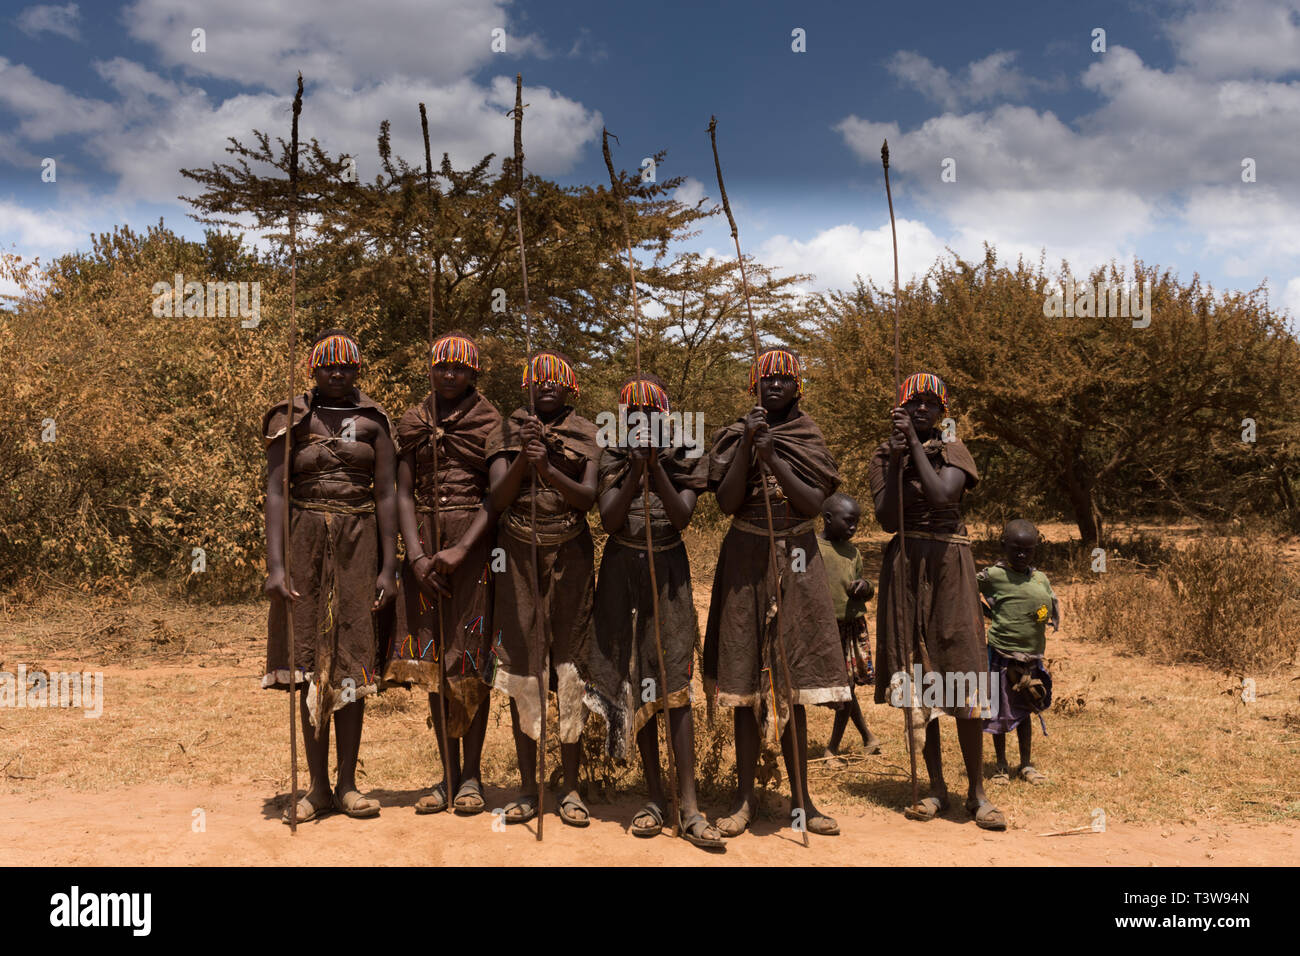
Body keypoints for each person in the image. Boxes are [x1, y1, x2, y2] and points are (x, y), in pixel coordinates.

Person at [703, 347, 849, 838]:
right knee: (743, 682)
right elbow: (725, 502)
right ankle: (744, 799)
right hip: (744, 553)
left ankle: (801, 801)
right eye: (766, 380)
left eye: (785, 380)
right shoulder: (733, 434)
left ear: (798, 387)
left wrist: (773, 457)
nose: (775, 386)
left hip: (797, 556)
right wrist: (748, 446)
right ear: (753, 386)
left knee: (795, 684)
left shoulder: (808, 437)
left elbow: (812, 502)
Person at [263, 329, 398, 823]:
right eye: (327, 367)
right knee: (308, 663)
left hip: (359, 540)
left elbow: (386, 495)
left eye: (346, 367)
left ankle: (346, 785)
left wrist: (389, 564)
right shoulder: (291, 418)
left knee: (351, 660)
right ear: (313, 371)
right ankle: (315, 787)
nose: (337, 374)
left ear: (357, 371)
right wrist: (276, 567)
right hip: (302, 542)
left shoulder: (375, 422)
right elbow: (276, 492)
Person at [587, 374, 725, 850]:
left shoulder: (685, 452)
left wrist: (655, 470)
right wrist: (632, 471)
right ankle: (652, 799)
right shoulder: (609, 453)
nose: (642, 421)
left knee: (673, 682)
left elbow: (683, 516)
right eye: (633, 414)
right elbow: (608, 519)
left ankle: (688, 806)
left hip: (669, 568)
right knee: (637, 678)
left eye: (651, 414)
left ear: (667, 418)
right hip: (622, 567)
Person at [870, 371, 1005, 831]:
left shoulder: (953, 448)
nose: (922, 409)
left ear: (943, 410)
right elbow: (888, 518)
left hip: (950, 562)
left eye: (931, 403)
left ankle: (976, 793)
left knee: (963, 669)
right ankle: (933, 788)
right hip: (906, 563)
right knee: (918, 674)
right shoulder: (885, 454)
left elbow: (944, 497)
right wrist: (896, 458)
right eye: (913, 403)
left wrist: (912, 449)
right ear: (901, 410)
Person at [383, 333, 502, 815]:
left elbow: (496, 497)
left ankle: (472, 776)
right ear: (430, 370)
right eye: (441, 367)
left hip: (472, 550)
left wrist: (461, 549)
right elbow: (404, 494)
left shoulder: (491, 422)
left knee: (468, 659)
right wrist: (414, 558)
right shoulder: (415, 422)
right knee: (434, 662)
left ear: (474, 374)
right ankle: (447, 775)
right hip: (424, 553)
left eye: (459, 368)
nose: (449, 375)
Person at [486, 350, 599, 828]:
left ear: (570, 388)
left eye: (556, 381)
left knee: (570, 667)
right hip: (516, 556)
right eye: (538, 380)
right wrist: (524, 460)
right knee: (524, 667)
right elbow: (496, 498)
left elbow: (590, 499)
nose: (547, 387)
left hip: (571, 556)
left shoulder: (588, 432)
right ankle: (528, 788)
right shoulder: (506, 432)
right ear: (525, 388)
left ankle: (570, 788)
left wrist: (549, 467)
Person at [980, 518, 1058, 785]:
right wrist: (986, 611)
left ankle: (1025, 764)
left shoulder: (1040, 578)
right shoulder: (994, 575)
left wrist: (1043, 614)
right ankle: (1001, 765)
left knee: (1025, 709)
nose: (1022, 555)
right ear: (1004, 546)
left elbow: (1048, 605)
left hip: (1031, 657)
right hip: (1002, 655)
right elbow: (966, 588)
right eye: (1016, 549)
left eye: (1028, 550)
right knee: (998, 712)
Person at [817, 492, 880, 764]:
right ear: (828, 519)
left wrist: (865, 587)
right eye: (849, 522)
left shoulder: (853, 553)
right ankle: (868, 737)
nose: (853, 528)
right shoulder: (812, 548)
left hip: (850, 629)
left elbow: (864, 585)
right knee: (843, 689)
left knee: (847, 687)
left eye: (857, 523)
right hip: (822, 629)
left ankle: (832, 748)